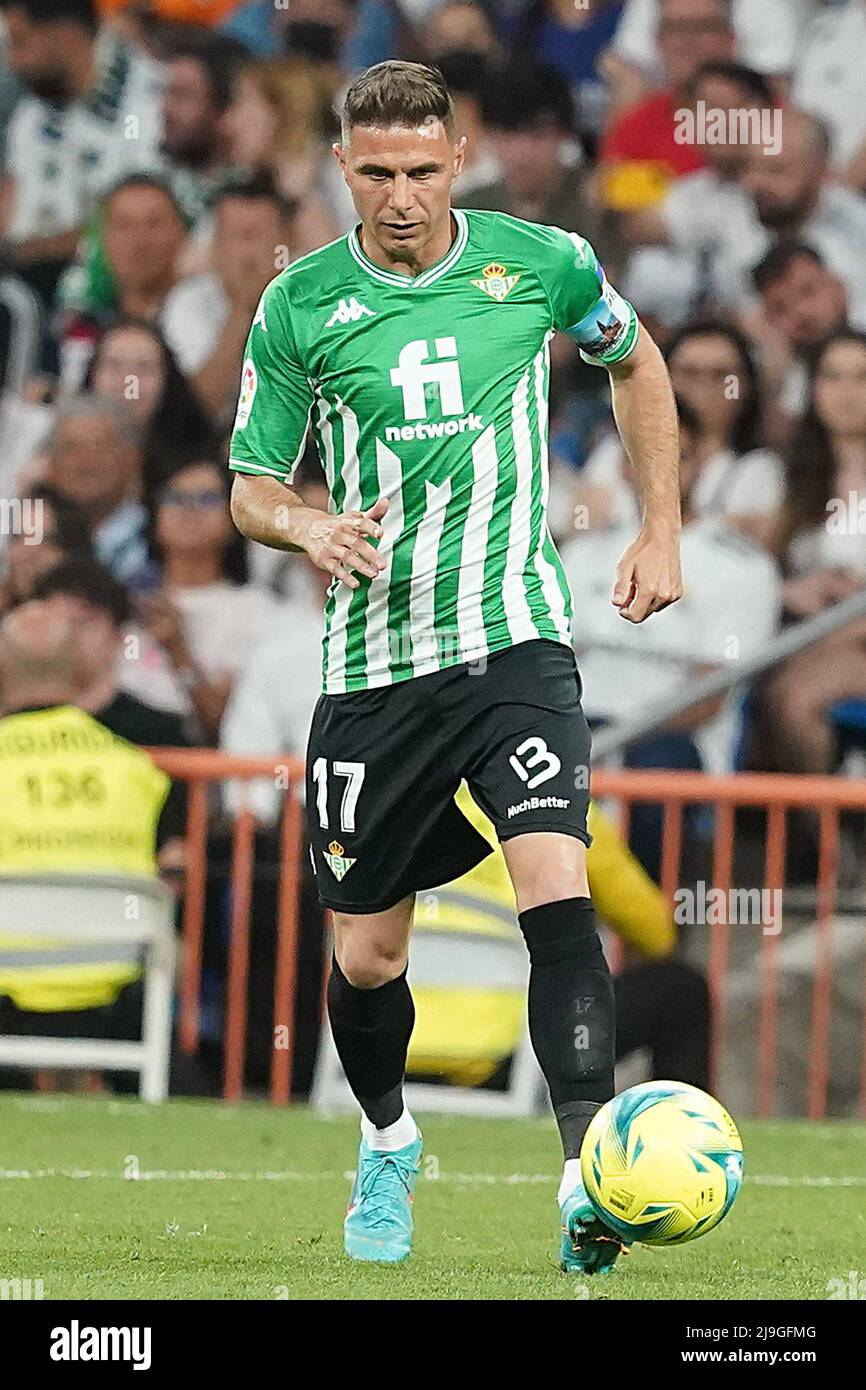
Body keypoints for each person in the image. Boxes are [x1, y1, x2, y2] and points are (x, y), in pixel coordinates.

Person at [229, 60, 683, 1274]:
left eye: (421, 170)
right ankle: (386, 1138)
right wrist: (304, 525)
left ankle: (591, 1175)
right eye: (375, 173)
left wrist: (659, 526)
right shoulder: (298, 307)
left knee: (555, 884)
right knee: (368, 954)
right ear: (340, 168)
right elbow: (248, 486)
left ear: (457, 161)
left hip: (514, 645)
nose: (399, 196)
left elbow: (633, 361)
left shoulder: (539, 263)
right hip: (376, 672)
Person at [562, 398, 780, 878]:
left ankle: (654, 946)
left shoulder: (742, 567)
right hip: (577, 726)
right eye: (637, 452)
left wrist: (613, 741)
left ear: (700, 461)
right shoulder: (580, 556)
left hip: (671, 739)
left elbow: (710, 695)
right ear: (619, 466)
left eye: (670, 452)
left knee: (655, 772)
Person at [0, 0, 164, 302]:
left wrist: (26, 253)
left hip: (122, 296)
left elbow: (142, 225)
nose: (13, 61)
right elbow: (13, 216)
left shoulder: (147, 102)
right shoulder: (31, 115)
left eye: (20, 43)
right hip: (36, 290)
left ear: (65, 36)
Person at [758, 332, 866, 778]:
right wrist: (790, 591)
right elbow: (755, 573)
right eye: (832, 377)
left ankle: (833, 840)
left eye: (861, 378)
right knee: (775, 697)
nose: (846, 393)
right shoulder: (788, 477)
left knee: (795, 699)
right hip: (808, 638)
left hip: (842, 642)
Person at [573, 322, 783, 548]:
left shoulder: (759, 467)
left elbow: (751, 547)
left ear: (747, 385)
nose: (703, 386)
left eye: (720, 375)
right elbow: (581, 523)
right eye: (689, 373)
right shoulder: (615, 451)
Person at [134, 457, 279, 740]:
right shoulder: (125, 602)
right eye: (175, 498)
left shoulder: (260, 612)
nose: (190, 509)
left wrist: (179, 652)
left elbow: (227, 728)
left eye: (207, 499)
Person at [160, 175, 300, 422]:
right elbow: (197, 409)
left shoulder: (320, 295)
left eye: (256, 234)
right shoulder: (186, 301)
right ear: (214, 245)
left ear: (288, 240)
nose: (247, 251)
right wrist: (242, 311)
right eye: (236, 235)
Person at [85, 318, 220, 490]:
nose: (129, 383)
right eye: (114, 366)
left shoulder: (200, 467)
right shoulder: (55, 457)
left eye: (144, 368)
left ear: (168, 381)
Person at [42, 394, 149, 587]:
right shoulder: (27, 540)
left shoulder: (160, 536)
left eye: (101, 447)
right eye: (71, 448)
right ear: (50, 465)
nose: (87, 462)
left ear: (133, 458)